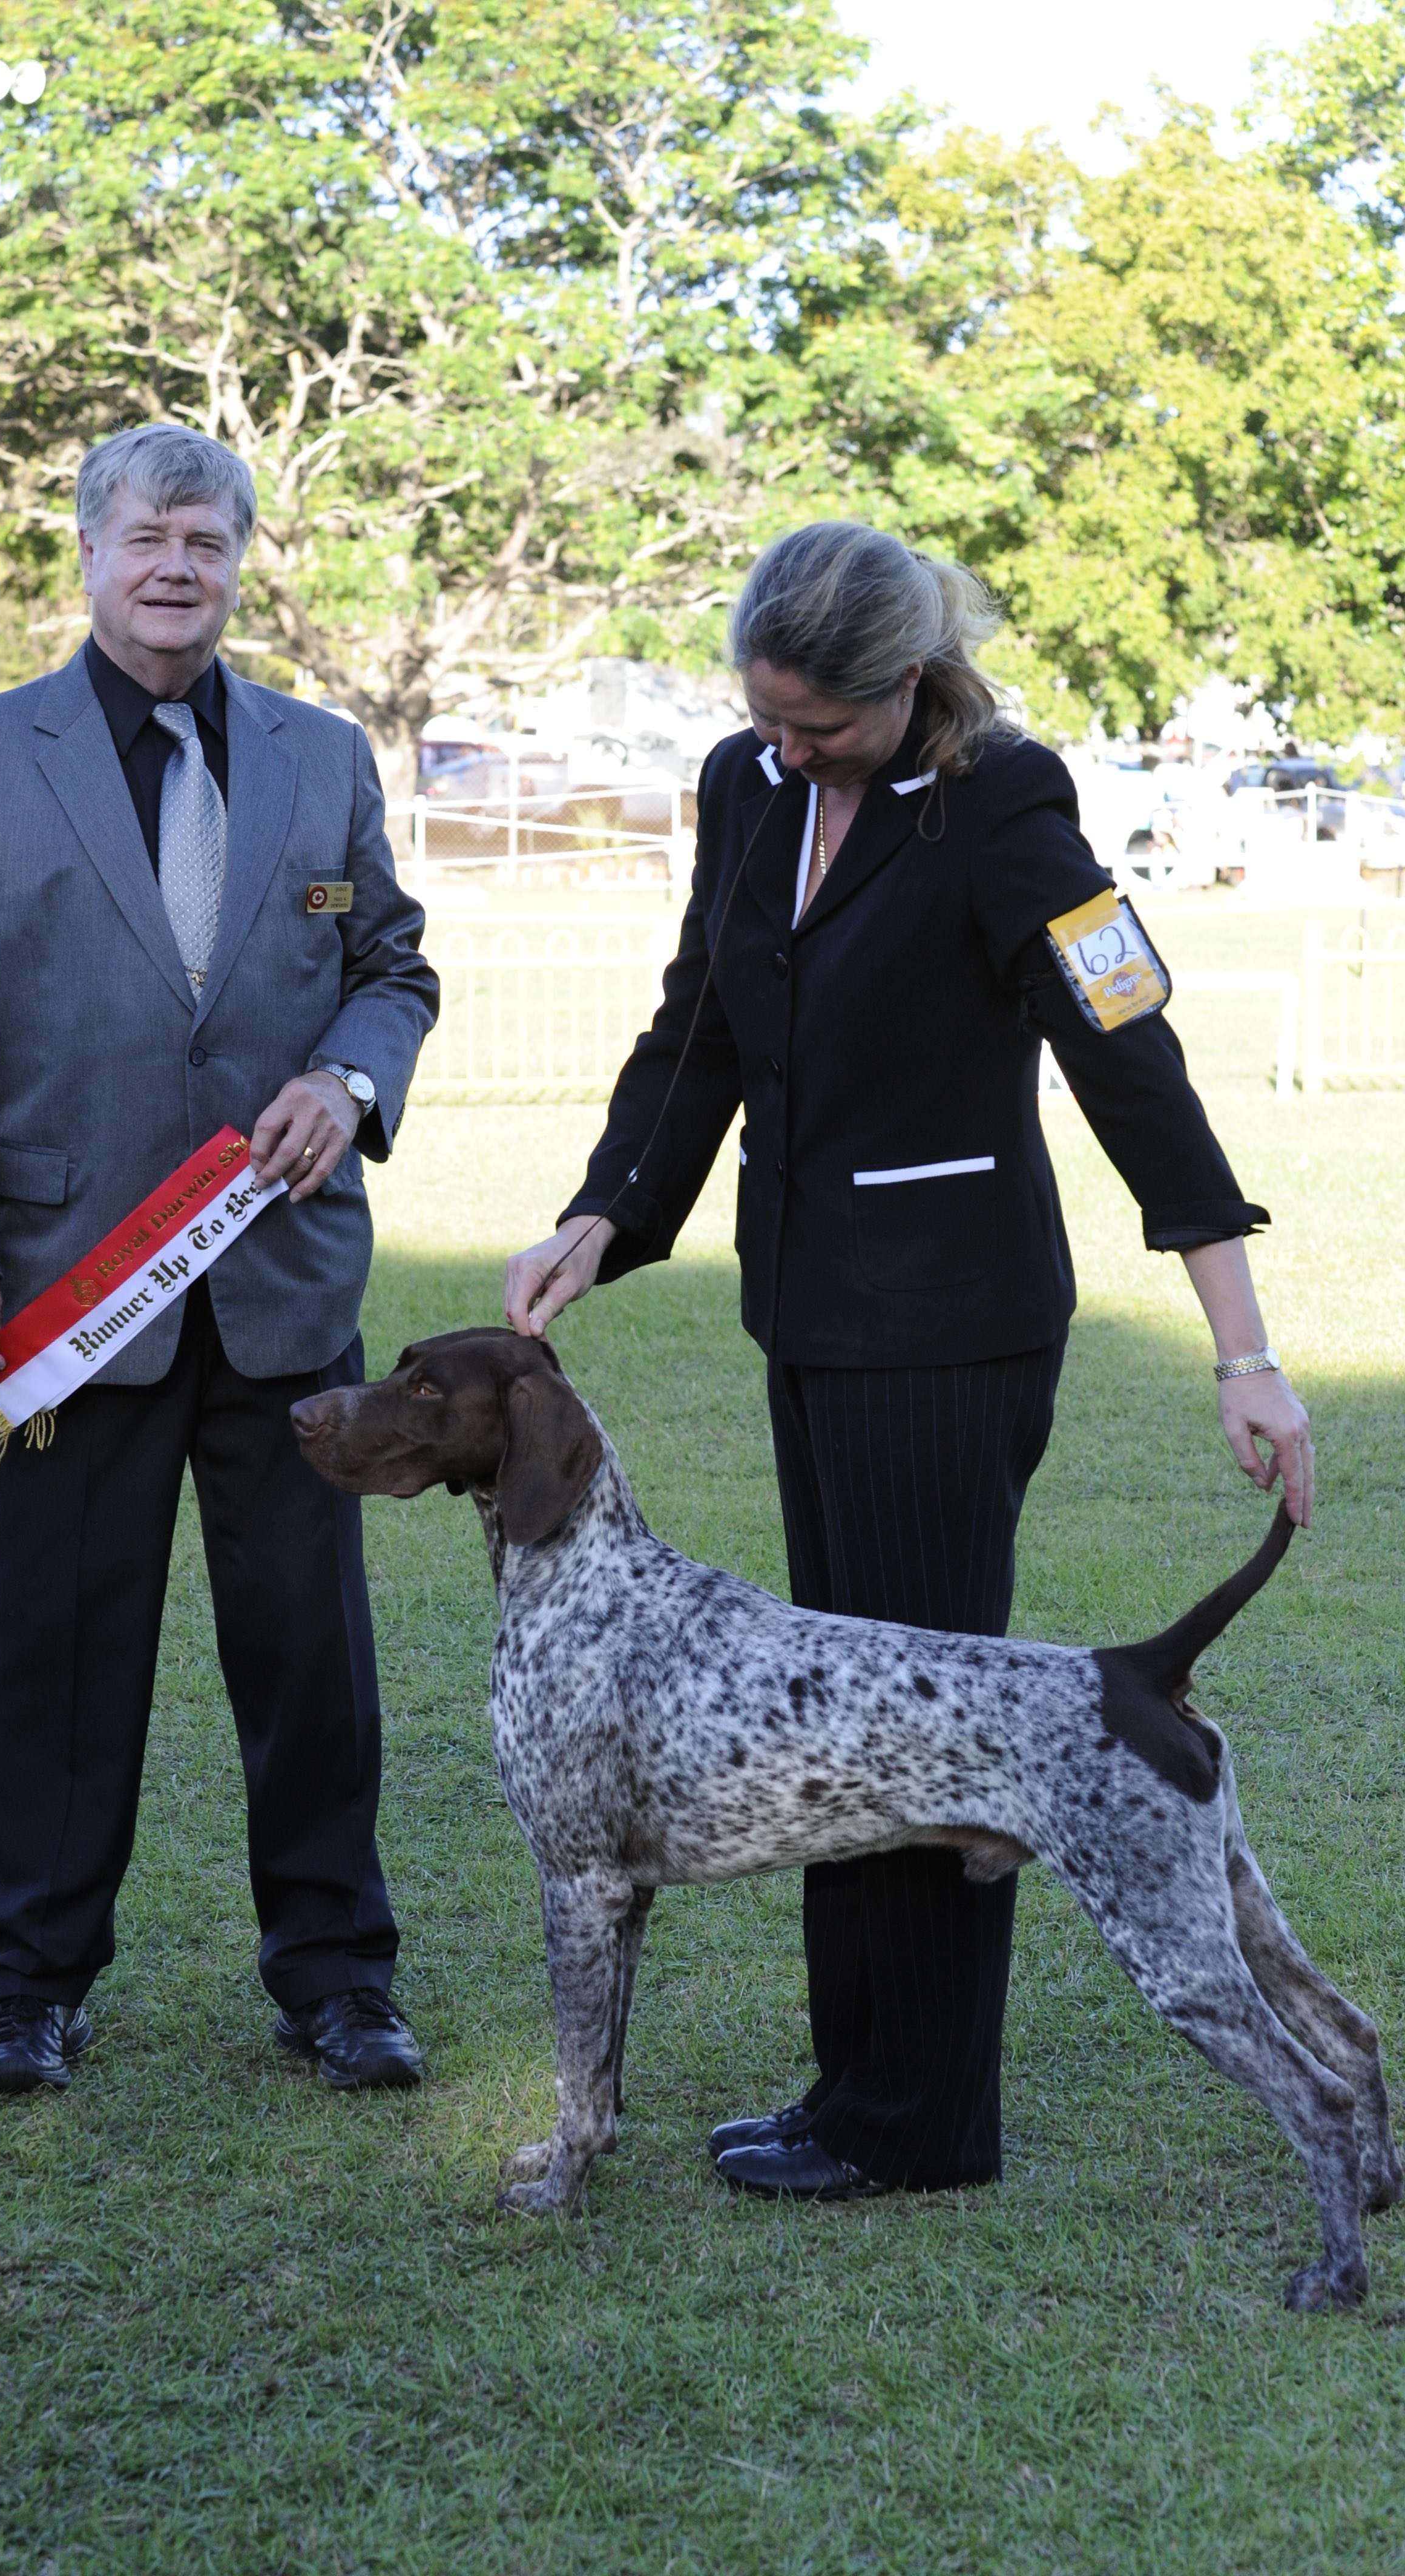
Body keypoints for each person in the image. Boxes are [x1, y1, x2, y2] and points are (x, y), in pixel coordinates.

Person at [503, 520, 1312, 2201]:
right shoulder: (748, 788)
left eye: (823, 727)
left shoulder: (1010, 805)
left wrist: (1246, 1349)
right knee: (831, 1727)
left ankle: (921, 2121)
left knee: (934, 1738)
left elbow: (1131, 1059)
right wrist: (606, 1217)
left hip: (953, 1328)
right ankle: (855, 2086)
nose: (789, 750)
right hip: (806, 1311)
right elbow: (697, 1028)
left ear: (911, 681)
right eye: (770, 721)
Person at [0, 423, 439, 2097]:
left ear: (243, 556)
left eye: (208, 540)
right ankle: (27, 1988)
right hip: (61, 1303)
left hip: (284, 1300)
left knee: (312, 1663)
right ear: (88, 552)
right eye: (149, 539)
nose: (178, 567)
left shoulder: (324, 755)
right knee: (58, 1656)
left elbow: (391, 966)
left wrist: (347, 1079)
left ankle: (339, 1981)